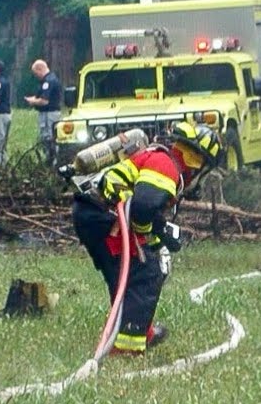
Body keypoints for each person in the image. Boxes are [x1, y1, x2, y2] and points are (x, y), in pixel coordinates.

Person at [71, 121, 222, 355]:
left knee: (128, 271)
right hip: (105, 217)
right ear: (199, 162)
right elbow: (142, 207)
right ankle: (126, 345)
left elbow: (144, 206)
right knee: (146, 272)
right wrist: (146, 235)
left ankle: (135, 330)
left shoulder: (164, 159)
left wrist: (159, 233)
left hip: (93, 214)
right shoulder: (167, 167)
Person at [23, 59, 62, 165]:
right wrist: (34, 98)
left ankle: (52, 162)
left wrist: (33, 101)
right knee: (47, 138)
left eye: (36, 74)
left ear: (40, 69)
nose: (36, 76)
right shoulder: (51, 79)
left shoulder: (48, 82)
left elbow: (44, 101)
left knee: (49, 138)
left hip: (49, 115)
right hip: (50, 114)